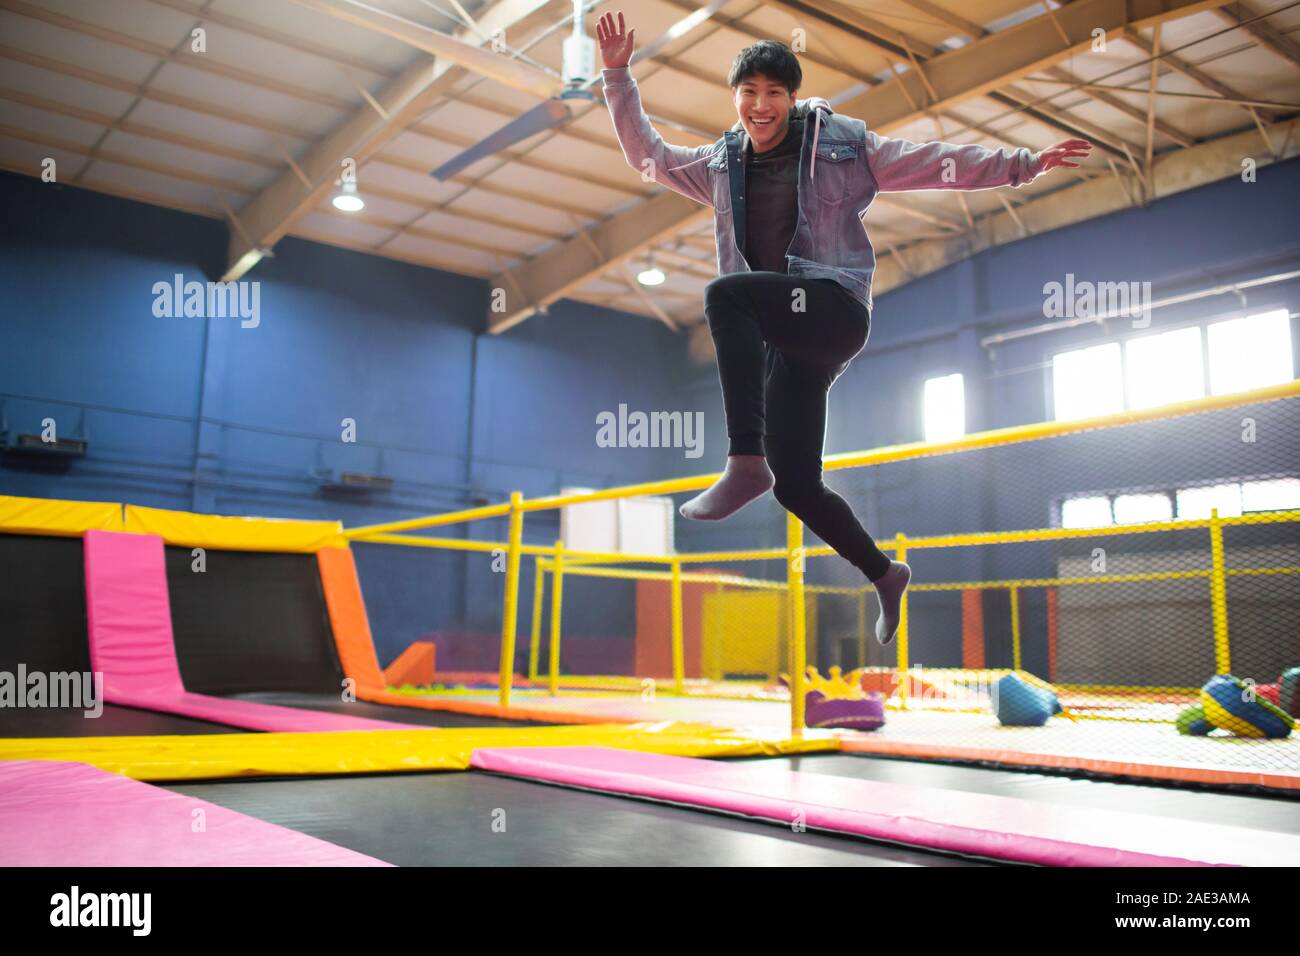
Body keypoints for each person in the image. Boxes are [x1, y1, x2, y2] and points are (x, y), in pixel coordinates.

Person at [596, 12, 1090, 645]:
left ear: (793, 98)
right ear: (736, 100)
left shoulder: (842, 146)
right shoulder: (721, 165)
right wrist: (616, 76)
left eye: (774, 93)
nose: (761, 106)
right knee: (797, 484)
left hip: (831, 308)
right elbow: (650, 158)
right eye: (749, 93)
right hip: (787, 342)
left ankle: (744, 461)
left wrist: (1022, 164)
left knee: (726, 296)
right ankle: (884, 572)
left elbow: (931, 162)